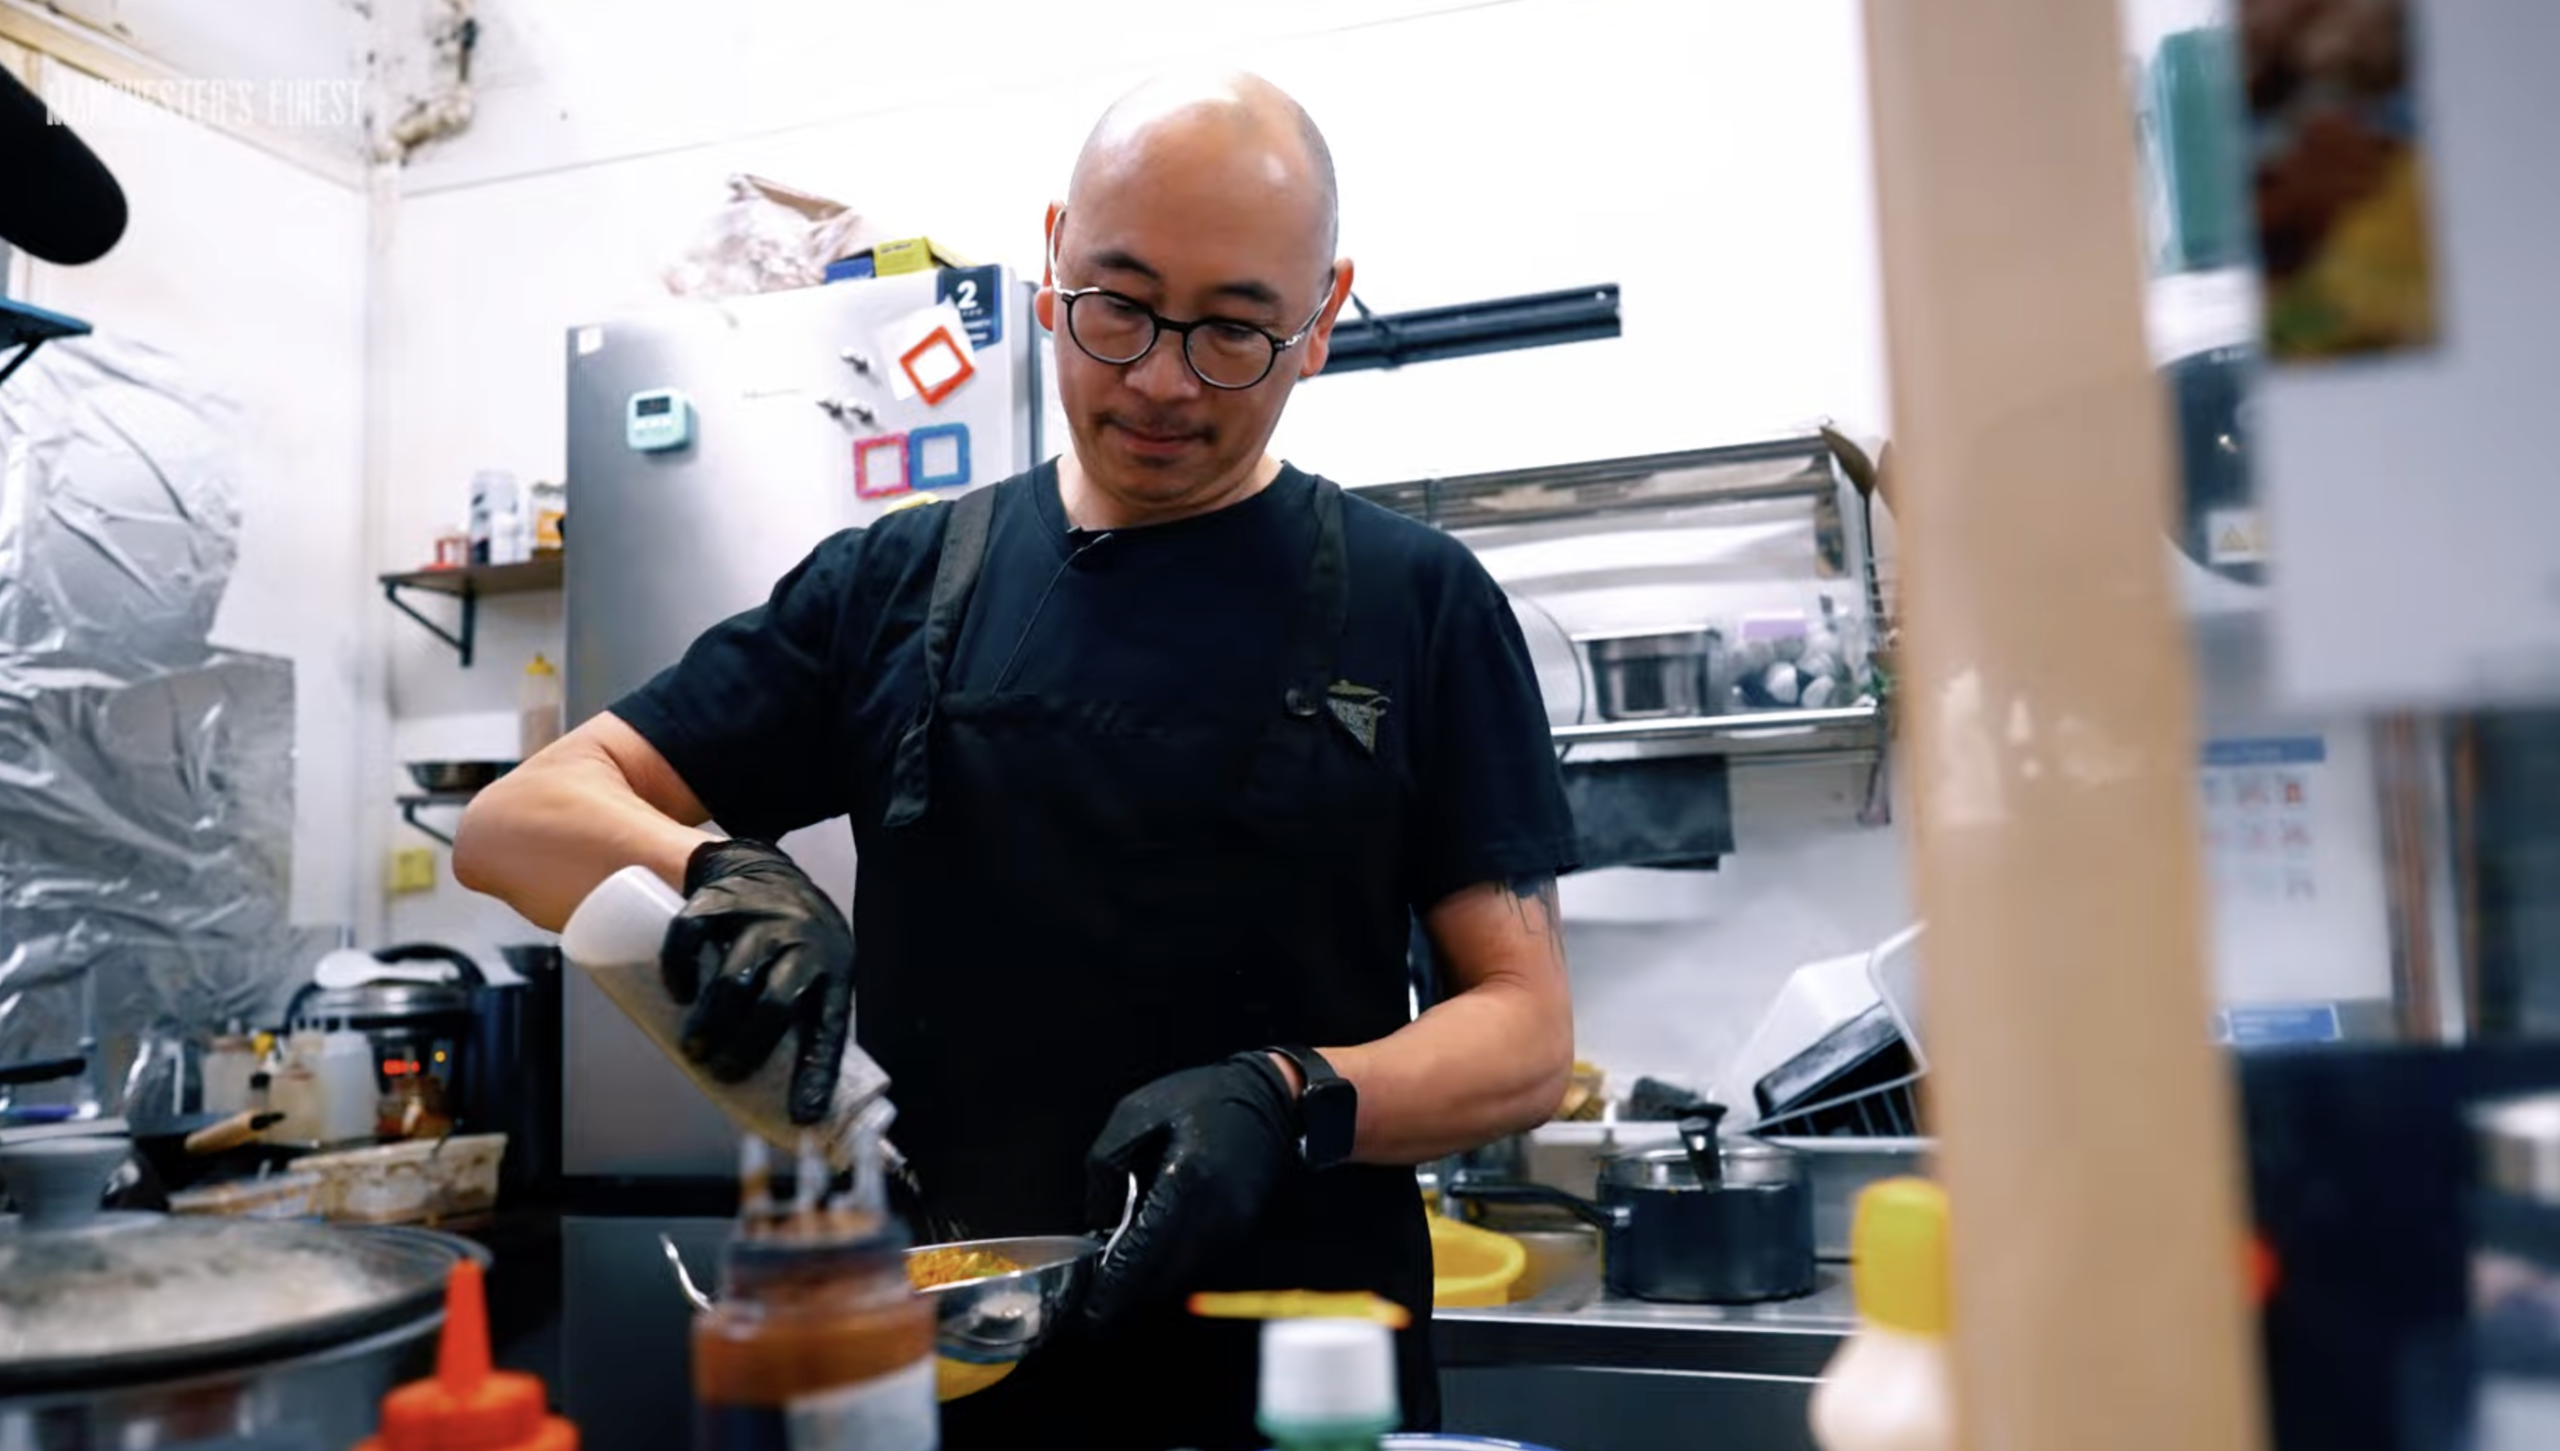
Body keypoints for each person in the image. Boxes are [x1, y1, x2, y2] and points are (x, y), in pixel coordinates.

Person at [454, 69, 1579, 1451]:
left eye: (1235, 331)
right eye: (1117, 305)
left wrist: (1291, 1096)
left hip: (1302, 1380)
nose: (1161, 378)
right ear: (1053, 260)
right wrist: (714, 869)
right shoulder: (893, 583)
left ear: (1323, 318)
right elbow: (515, 825)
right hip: (955, 1379)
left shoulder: (1418, 601)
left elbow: (1525, 1033)